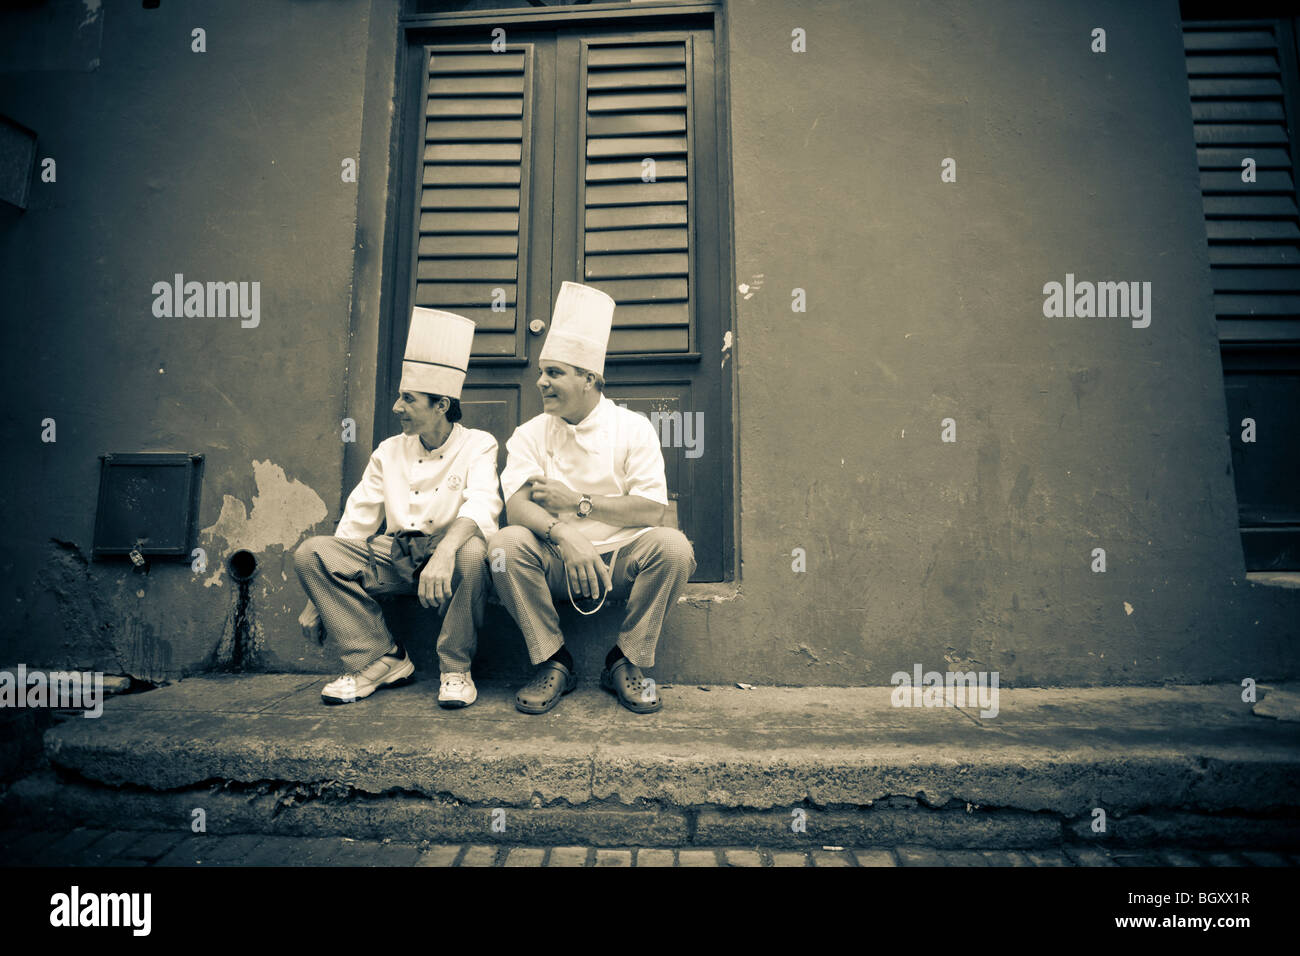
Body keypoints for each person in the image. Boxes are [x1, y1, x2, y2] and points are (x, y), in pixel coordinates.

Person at [488, 281, 696, 715]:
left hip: (622, 559)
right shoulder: (531, 433)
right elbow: (518, 507)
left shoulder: (632, 428)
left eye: (555, 373)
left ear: (589, 379)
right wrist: (566, 535)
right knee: (505, 546)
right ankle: (553, 660)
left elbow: (651, 508)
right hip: (554, 560)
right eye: (542, 372)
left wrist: (577, 502)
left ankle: (625, 660)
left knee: (674, 548)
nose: (541, 382)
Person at [294, 307, 501, 708]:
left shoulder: (478, 443)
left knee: (474, 553)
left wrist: (443, 552)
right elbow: (356, 521)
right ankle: (381, 658)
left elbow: (481, 505)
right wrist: (315, 599)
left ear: (441, 404)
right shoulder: (389, 451)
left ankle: (455, 668)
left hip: (448, 559)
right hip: (391, 557)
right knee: (312, 554)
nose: (396, 407)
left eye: (408, 399)